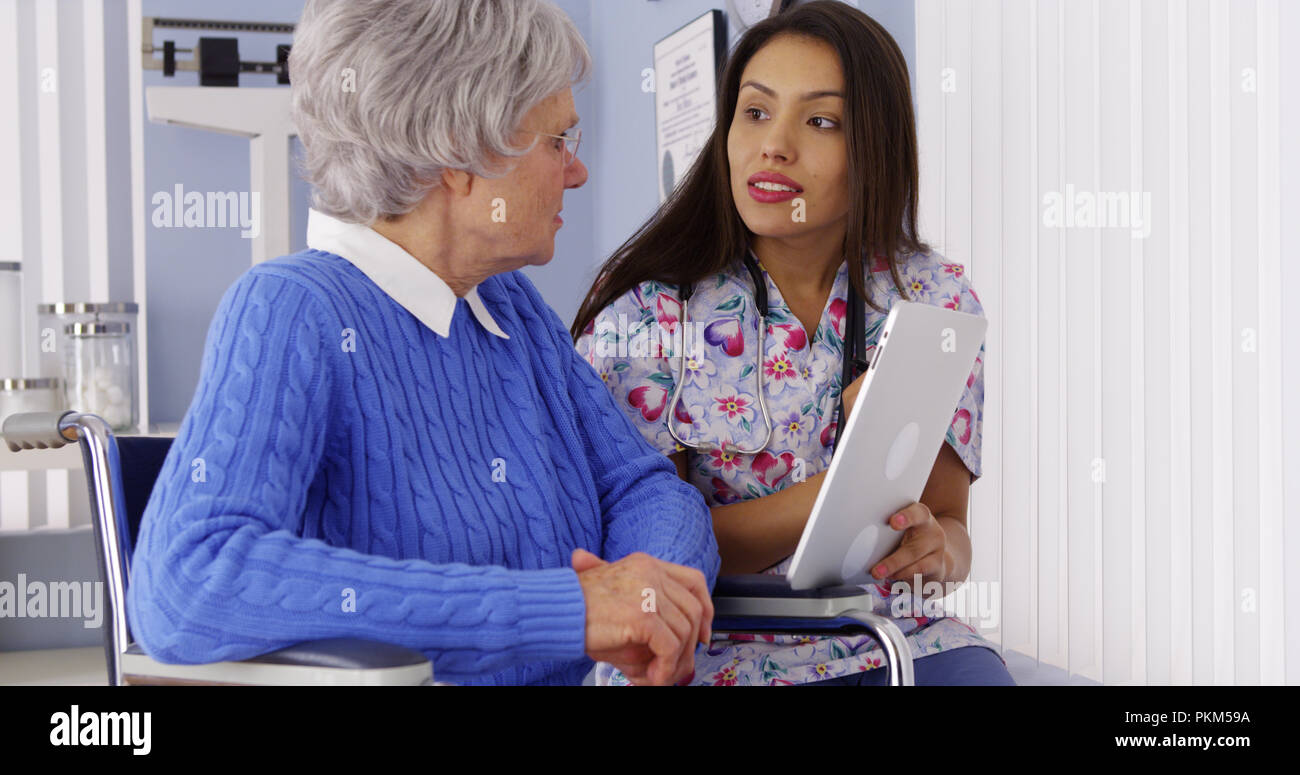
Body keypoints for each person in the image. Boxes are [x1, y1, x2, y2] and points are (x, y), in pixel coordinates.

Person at [126, 0, 718, 687]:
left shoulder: (508, 306)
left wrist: (645, 616)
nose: (576, 172)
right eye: (558, 141)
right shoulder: (294, 310)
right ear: (457, 154)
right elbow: (189, 581)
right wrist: (566, 609)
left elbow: (646, 489)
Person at [572, 1, 1013, 686]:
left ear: (874, 145)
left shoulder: (934, 300)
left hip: (894, 638)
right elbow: (643, 552)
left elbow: (951, 521)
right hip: (718, 648)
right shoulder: (645, 316)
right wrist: (839, 491)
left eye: (820, 120)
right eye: (755, 112)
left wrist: (939, 553)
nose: (774, 145)